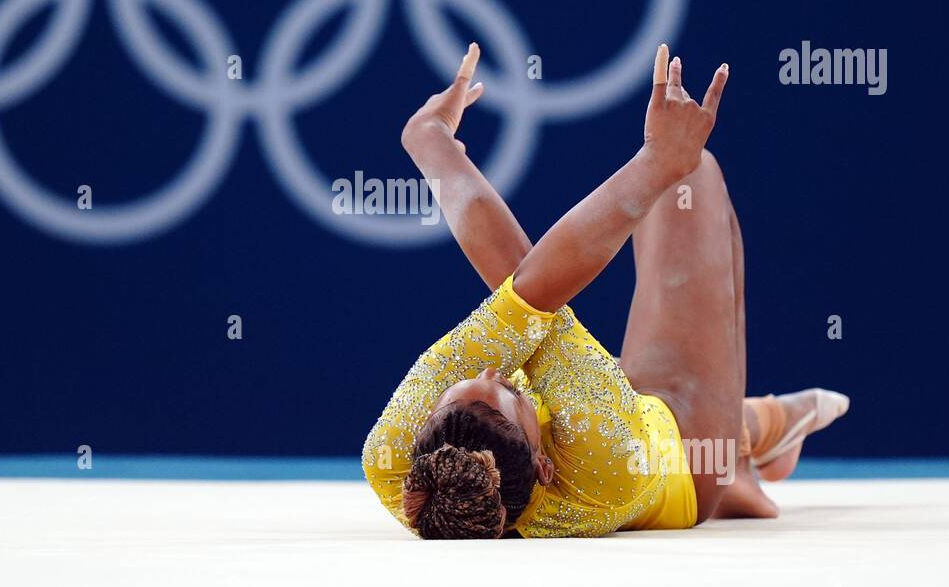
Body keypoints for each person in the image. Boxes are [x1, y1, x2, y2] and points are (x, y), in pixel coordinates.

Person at [363, 42, 849, 538]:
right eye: (508, 387)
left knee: (541, 330)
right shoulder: (604, 461)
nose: (494, 367)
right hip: (682, 446)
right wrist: (658, 164)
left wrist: (432, 140)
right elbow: (535, 288)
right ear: (546, 470)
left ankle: (755, 435)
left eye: (470, 385)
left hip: (595, 400)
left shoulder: (397, 464)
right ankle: (735, 456)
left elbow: (523, 296)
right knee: (692, 179)